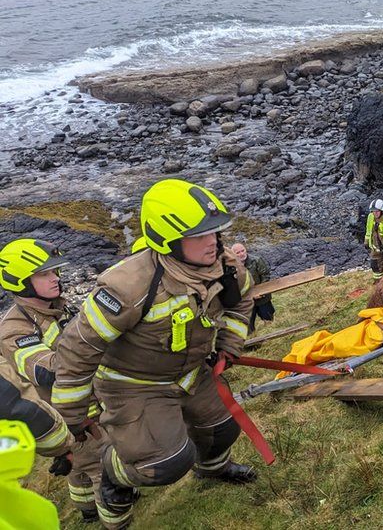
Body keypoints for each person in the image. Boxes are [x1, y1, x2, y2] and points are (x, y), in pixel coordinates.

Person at [52, 179, 257, 527]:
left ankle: (212, 469)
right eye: (199, 236)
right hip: (134, 385)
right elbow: (77, 349)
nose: (212, 242)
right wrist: (73, 415)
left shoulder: (226, 266)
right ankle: (114, 475)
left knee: (223, 428)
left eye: (214, 231)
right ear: (167, 240)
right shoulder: (127, 286)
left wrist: (228, 346)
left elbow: (243, 302)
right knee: (165, 464)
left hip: (191, 372)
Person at [0, 238, 128, 528]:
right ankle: (117, 520)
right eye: (44, 274)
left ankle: (87, 510)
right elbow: (46, 371)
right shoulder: (14, 329)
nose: (55, 278)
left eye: (54, 271)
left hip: (82, 407)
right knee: (103, 468)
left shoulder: (55, 308)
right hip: (70, 416)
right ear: (20, 281)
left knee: (79, 469)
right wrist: (94, 341)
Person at [230, 242, 274, 331]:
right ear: (233, 254)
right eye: (238, 252)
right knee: (248, 324)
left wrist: (260, 292)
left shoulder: (257, 260)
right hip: (245, 301)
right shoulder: (230, 267)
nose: (241, 254)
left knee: (268, 318)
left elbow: (266, 276)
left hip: (262, 298)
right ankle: (253, 337)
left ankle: (271, 333)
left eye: (242, 250)